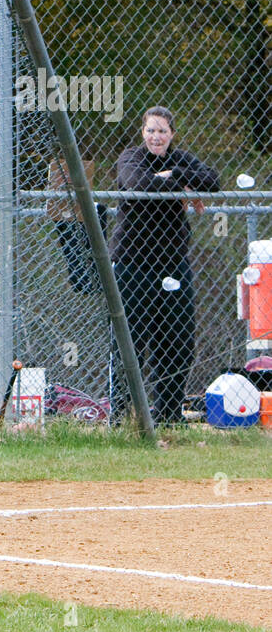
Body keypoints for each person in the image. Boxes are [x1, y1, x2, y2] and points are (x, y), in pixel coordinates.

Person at [109, 106, 218, 426]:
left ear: (172, 134)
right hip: (133, 264)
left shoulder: (180, 159)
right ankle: (121, 417)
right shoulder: (131, 157)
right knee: (129, 342)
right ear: (142, 133)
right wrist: (179, 186)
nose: (156, 137)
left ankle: (170, 414)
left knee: (177, 342)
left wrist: (173, 175)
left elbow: (212, 179)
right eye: (151, 130)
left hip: (173, 264)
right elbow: (138, 184)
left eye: (162, 131)